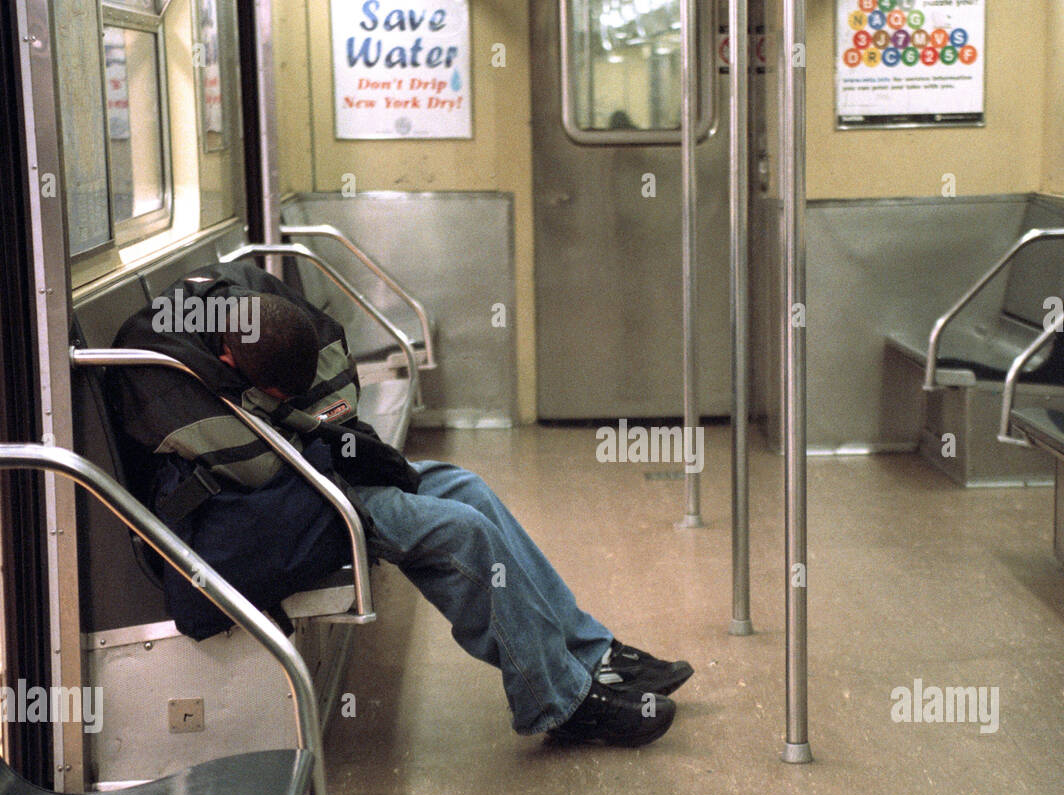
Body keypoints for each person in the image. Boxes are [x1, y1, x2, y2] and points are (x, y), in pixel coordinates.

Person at [109, 261, 692, 747]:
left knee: (467, 488)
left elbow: (325, 413)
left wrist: (322, 432)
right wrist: (326, 437)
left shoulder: (255, 307)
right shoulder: (163, 371)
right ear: (232, 361)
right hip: (263, 513)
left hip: (313, 474)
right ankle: (560, 703)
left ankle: (593, 652)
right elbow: (258, 465)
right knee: (462, 532)